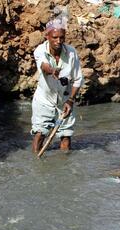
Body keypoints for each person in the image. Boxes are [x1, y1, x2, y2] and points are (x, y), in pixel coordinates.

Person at [31, 18, 83, 153]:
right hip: (44, 99)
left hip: (64, 100)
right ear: (47, 36)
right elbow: (43, 66)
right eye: (54, 37)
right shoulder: (40, 50)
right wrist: (52, 71)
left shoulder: (71, 53)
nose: (58, 41)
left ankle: (64, 166)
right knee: (40, 133)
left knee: (66, 135)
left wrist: (70, 101)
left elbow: (78, 79)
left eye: (61, 37)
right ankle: (36, 164)